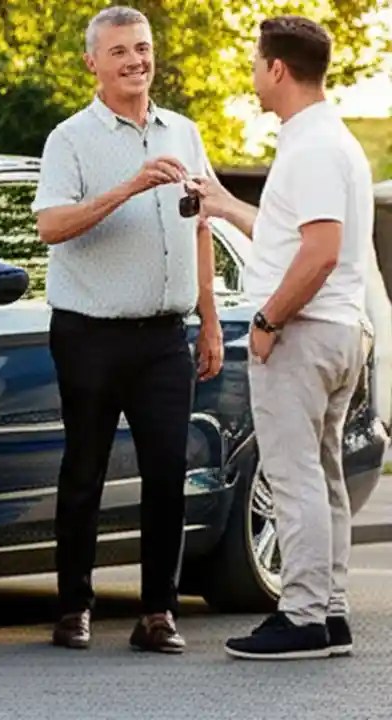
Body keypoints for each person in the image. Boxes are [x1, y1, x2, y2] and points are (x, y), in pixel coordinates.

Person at [32, 5, 224, 654]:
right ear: (93, 62)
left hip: (165, 338)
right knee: (84, 471)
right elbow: (51, 226)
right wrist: (130, 186)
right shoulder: (69, 139)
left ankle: (158, 614)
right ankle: (73, 608)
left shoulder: (185, 132)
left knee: (168, 472)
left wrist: (209, 323)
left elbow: (201, 226)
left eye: (142, 48)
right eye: (120, 51)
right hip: (89, 334)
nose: (136, 60)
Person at [193, 16, 375, 661]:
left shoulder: (314, 148)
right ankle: (328, 612)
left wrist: (268, 322)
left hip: (304, 334)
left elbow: (319, 252)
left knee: (293, 477)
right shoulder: (323, 141)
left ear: (277, 68)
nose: (251, 74)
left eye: (255, 62)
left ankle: (301, 617)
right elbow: (289, 236)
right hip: (333, 331)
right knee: (321, 477)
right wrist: (222, 204)